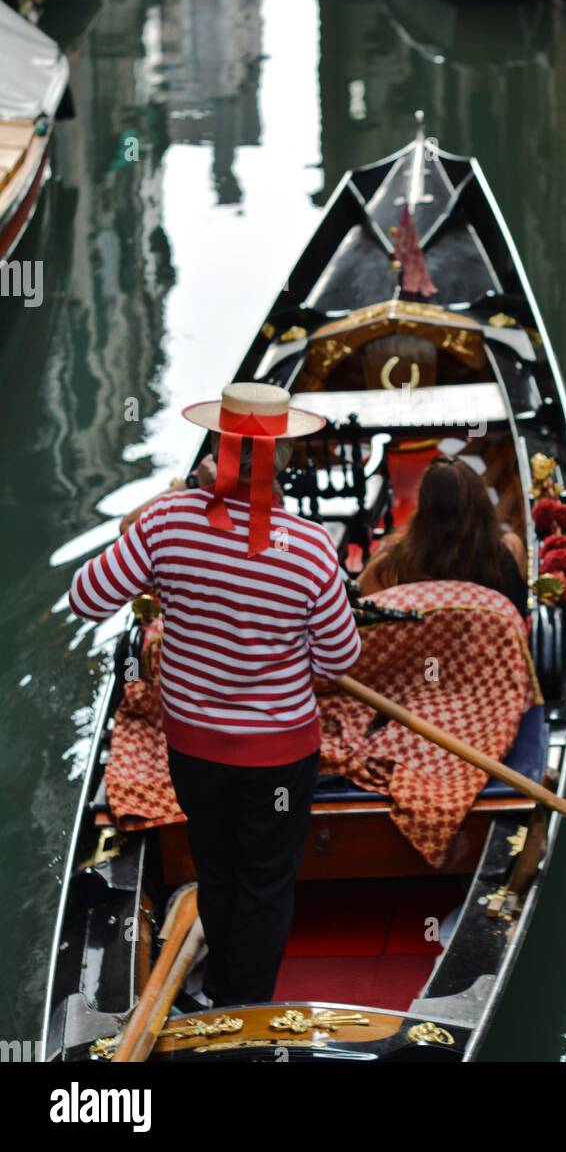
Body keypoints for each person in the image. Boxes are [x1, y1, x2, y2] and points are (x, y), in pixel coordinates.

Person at [69, 382, 361, 1008]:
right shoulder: (310, 548)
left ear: (216, 451)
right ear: (280, 457)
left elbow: (87, 597)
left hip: (195, 747)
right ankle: (242, 1003)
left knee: (218, 868)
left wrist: (169, 504)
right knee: (264, 880)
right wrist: (281, 652)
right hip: (280, 752)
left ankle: (225, 993)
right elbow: (339, 660)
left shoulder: (168, 523)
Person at [357, 454, 527, 613]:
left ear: (423, 508)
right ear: (481, 501)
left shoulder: (390, 563)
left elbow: (358, 605)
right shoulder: (510, 548)